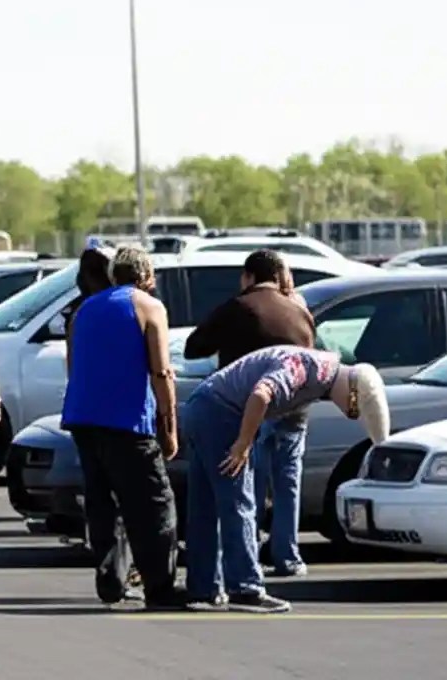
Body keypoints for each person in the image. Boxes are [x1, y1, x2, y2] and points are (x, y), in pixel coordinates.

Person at [182, 344, 390, 612]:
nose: (349, 413)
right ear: (350, 388)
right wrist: (243, 444)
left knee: (205, 505)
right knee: (239, 504)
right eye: (353, 407)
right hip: (221, 414)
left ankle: (203, 588)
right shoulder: (306, 370)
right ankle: (245, 588)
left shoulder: (319, 368)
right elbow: (260, 395)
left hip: (203, 406)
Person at [61, 244, 188, 610]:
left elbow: (74, 367)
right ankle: (160, 586)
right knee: (153, 504)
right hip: (127, 421)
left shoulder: (83, 310)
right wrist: (169, 426)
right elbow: (161, 372)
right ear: (148, 277)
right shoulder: (148, 307)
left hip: (84, 418)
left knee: (104, 502)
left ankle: (111, 579)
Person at [183, 249, 315, 577]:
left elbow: (193, 346)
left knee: (247, 487)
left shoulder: (238, 307)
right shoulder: (298, 309)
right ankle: (287, 556)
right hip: (293, 408)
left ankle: (248, 555)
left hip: (247, 410)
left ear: (248, 277)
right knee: (287, 484)